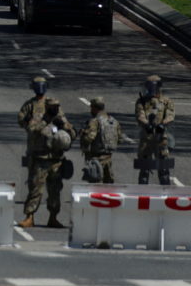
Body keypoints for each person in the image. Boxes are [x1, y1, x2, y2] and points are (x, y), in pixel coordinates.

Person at [19, 98, 73, 228]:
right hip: (40, 159)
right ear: (47, 107)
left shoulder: (61, 118)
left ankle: (53, 217)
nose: (55, 109)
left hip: (56, 160)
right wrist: (45, 121)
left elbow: (72, 134)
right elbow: (31, 129)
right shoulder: (39, 118)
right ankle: (29, 216)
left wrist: (64, 126)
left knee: (55, 190)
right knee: (35, 189)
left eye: (57, 107)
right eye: (52, 107)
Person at [136, 75, 176, 185]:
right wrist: (146, 124)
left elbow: (170, 115)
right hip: (146, 138)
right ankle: (142, 192)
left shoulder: (166, 101)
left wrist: (163, 124)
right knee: (144, 169)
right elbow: (140, 115)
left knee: (163, 169)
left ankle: (166, 192)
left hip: (161, 138)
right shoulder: (142, 101)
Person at [79, 97, 122, 184]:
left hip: (96, 160)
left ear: (95, 108)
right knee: (108, 186)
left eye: (91, 108)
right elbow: (120, 139)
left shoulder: (94, 121)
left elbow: (89, 138)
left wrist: (83, 135)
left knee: (95, 186)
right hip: (108, 158)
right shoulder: (113, 121)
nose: (91, 110)